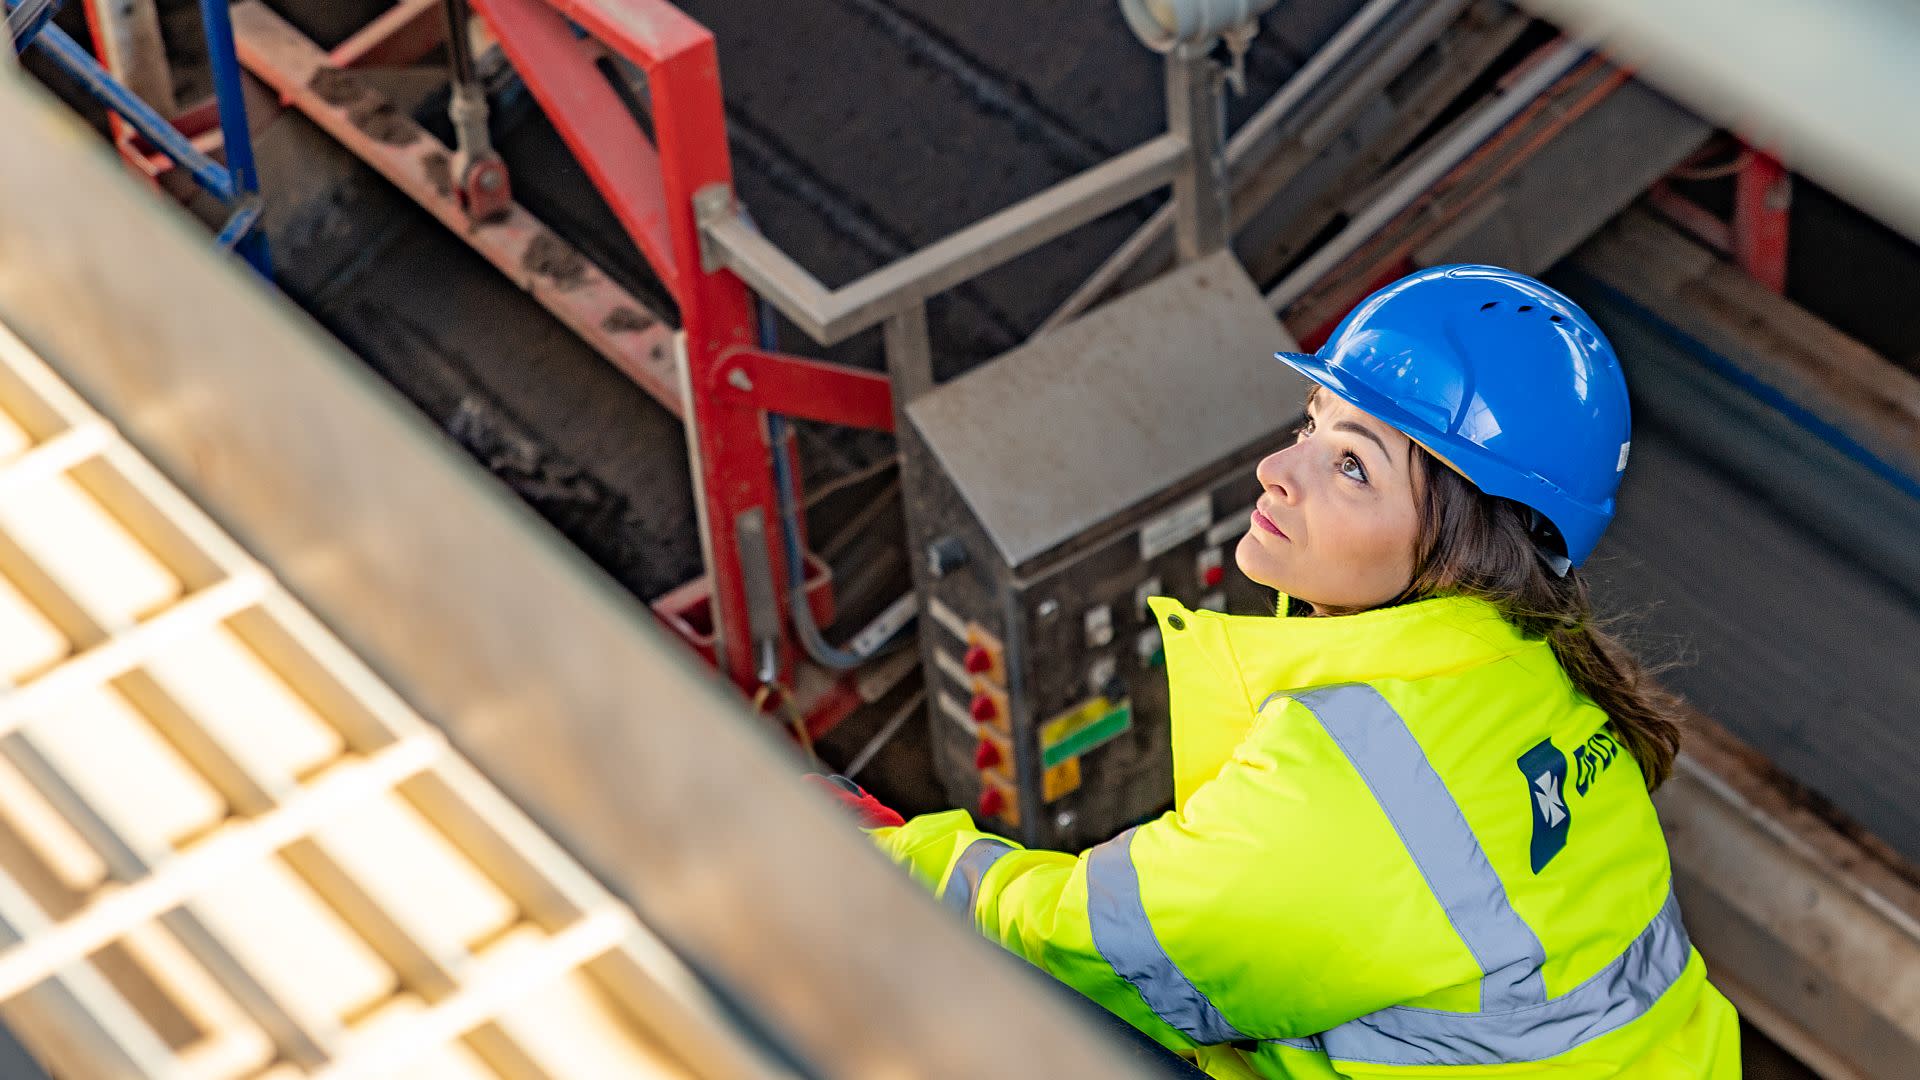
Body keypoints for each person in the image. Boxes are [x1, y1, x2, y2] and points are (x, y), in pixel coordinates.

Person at [817, 265, 1741, 1078]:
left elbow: (1100, 949)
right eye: (1312, 422)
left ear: (1464, 551)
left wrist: (863, 850)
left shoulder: (1361, 775)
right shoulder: (1541, 682)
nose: (1274, 470)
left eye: (1351, 466)